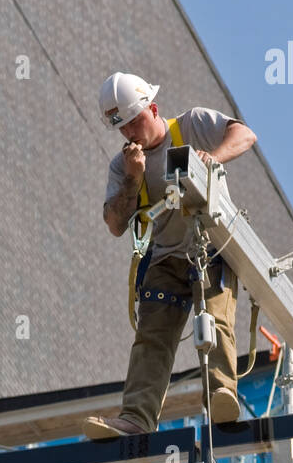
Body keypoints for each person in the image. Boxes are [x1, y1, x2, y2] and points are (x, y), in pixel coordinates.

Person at [84, 72, 257, 440]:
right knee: (152, 339)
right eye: (122, 128)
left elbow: (245, 135)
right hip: (165, 260)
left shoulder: (191, 125)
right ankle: (137, 417)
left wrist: (213, 157)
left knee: (215, 319)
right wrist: (133, 178)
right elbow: (115, 224)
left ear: (153, 109)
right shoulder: (123, 166)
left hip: (210, 248)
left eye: (135, 121)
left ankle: (222, 394)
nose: (130, 133)